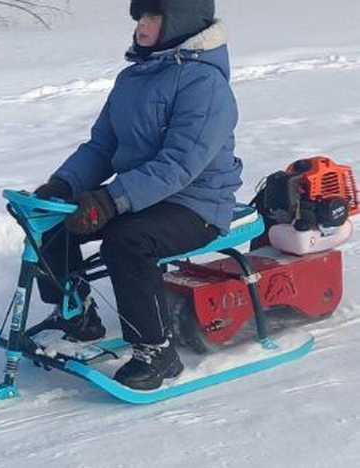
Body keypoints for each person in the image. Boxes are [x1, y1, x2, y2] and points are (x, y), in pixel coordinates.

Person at [31, 0, 242, 391]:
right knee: (50, 221)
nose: (141, 26)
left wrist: (111, 201)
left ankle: (155, 351)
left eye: (152, 17)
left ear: (178, 22)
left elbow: (179, 164)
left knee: (126, 240)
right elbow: (101, 148)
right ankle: (78, 317)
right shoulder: (133, 79)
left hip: (197, 205)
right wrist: (64, 186)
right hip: (142, 197)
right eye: (140, 17)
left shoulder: (205, 84)